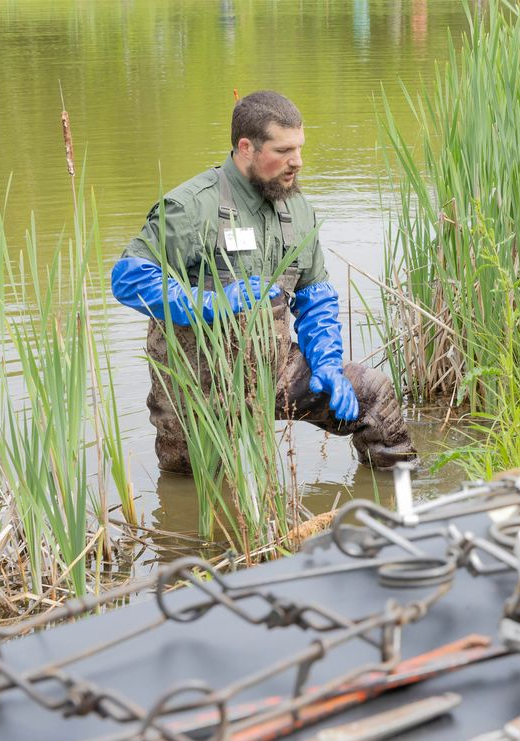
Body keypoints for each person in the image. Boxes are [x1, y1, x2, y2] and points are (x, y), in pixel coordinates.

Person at [110, 90, 416, 475]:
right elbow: (128, 278)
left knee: (375, 396)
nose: (297, 162)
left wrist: (326, 362)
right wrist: (212, 303)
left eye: (300, 149)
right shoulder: (192, 206)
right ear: (246, 148)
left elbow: (314, 295)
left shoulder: (297, 206)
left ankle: (401, 501)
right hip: (198, 381)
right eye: (283, 150)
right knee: (198, 488)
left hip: (272, 364)